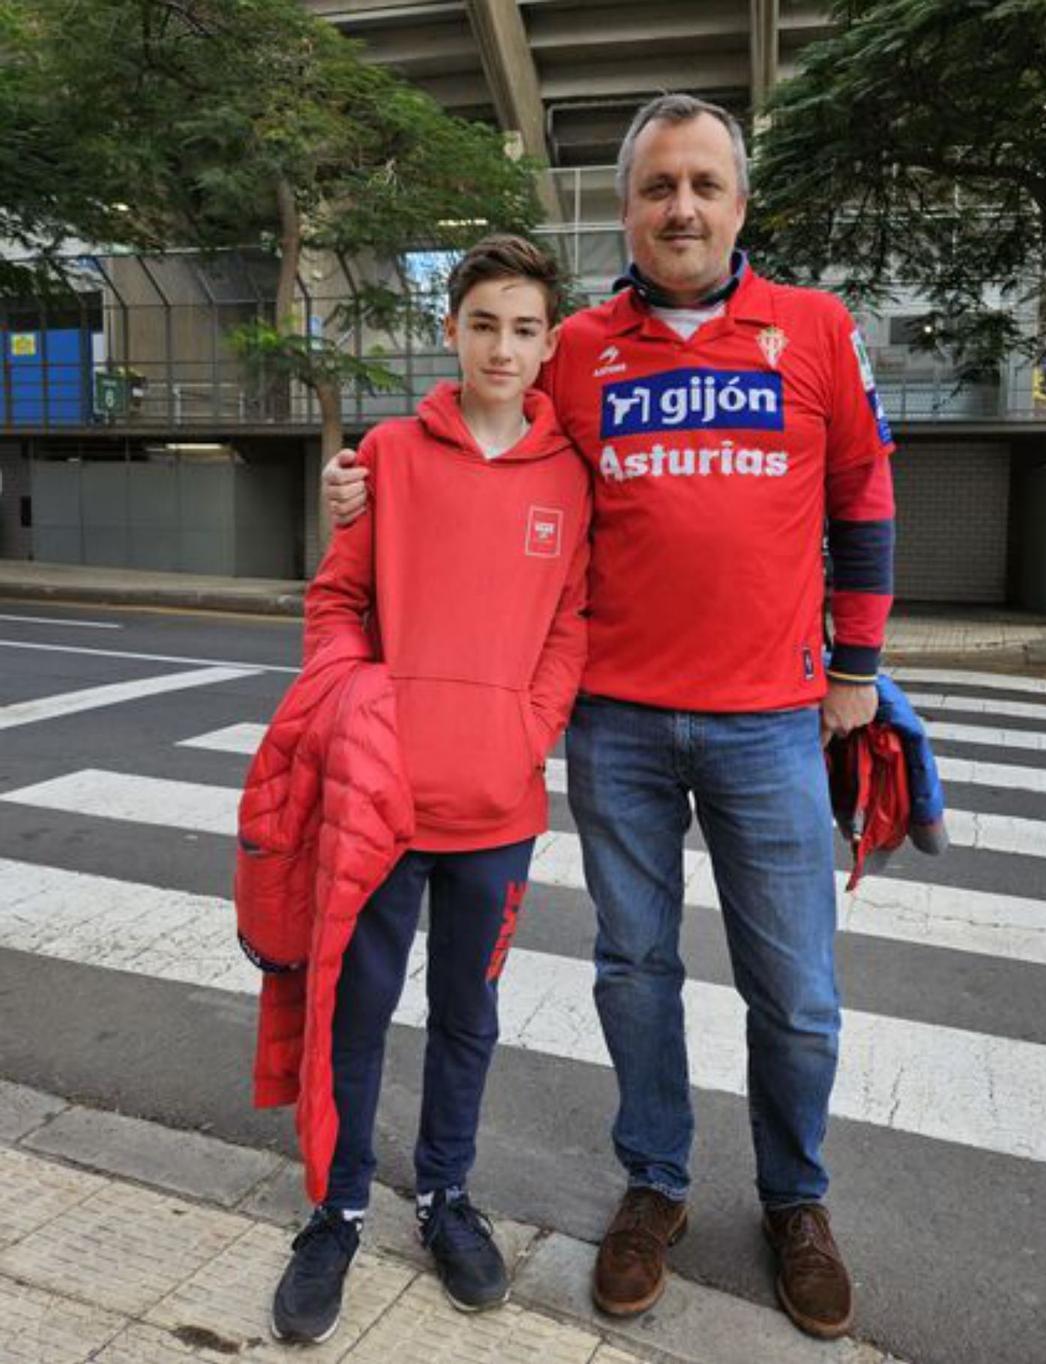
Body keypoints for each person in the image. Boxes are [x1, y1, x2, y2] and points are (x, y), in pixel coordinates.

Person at [322, 94, 895, 1342]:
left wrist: (858, 665)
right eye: (657, 187)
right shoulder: (578, 346)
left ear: (740, 202)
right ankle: (656, 1181)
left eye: (704, 184)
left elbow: (863, 489)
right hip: (618, 721)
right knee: (634, 971)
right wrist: (364, 480)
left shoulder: (814, 327)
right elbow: (489, 438)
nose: (681, 207)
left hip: (770, 720)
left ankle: (795, 1198)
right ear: (626, 210)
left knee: (796, 990)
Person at [272, 234, 590, 1344]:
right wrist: (362, 713)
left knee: (467, 1017)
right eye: (484, 323)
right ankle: (337, 1209)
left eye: (524, 328)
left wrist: (526, 732)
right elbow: (333, 604)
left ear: (549, 345)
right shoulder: (388, 457)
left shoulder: (570, 479)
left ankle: (446, 1195)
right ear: (450, 330)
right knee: (355, 1011)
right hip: (383, 805)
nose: (503, 346)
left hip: (497, 812)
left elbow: (570, 627)